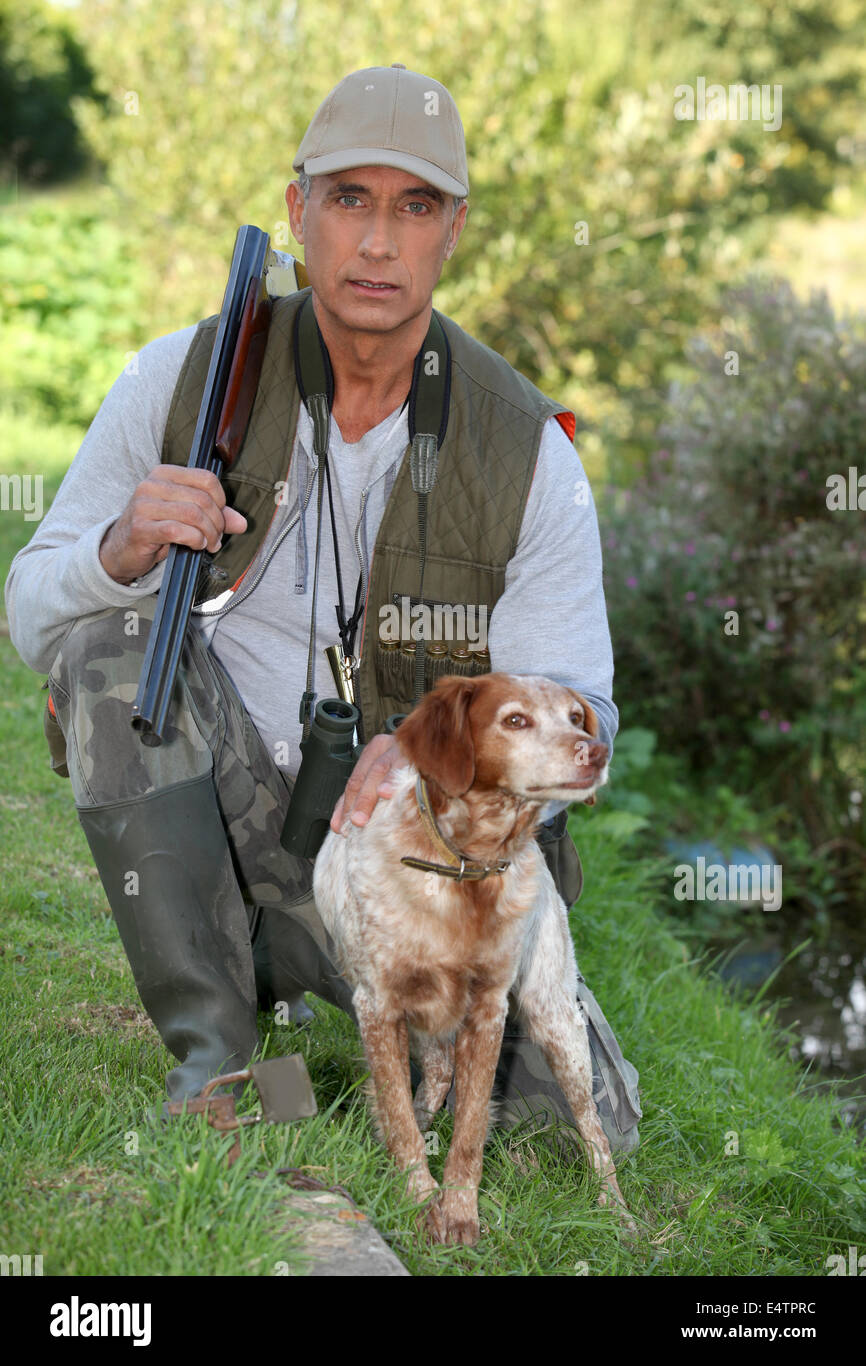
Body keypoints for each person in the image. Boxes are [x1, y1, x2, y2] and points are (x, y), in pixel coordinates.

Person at [5, 65, 639, 1149]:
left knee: (565, 1129)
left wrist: (431, 754)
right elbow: (30, 612)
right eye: (349, 199)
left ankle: (338, 1028)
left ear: (454, 230)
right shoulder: (180, 377)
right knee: (109, 651)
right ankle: (216, 1054)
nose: (378, 243)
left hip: (419, 865)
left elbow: (583, 712)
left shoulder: (526, 449)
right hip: (228, 823)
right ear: (298, 212)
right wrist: (119, 550)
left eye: (414, 206)